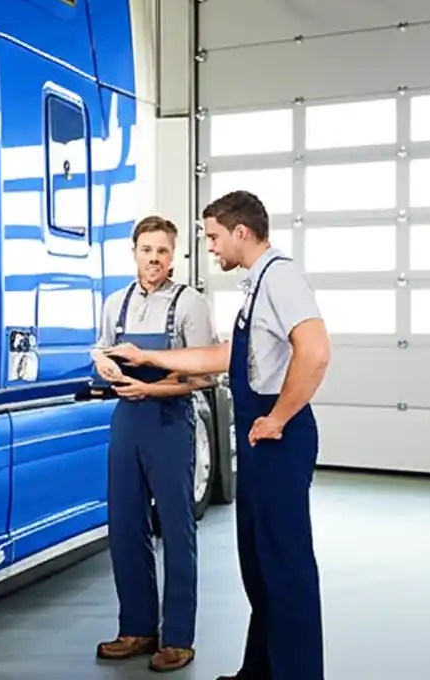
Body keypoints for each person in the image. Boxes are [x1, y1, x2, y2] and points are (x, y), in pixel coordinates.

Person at [106, 191, 331, 680]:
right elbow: (224, 356)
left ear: (240, 233)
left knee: (285, 566)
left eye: (212, 237)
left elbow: (314, 352)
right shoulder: (257, 283)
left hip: (278, 438)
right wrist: (150, 359)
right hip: (260, 439)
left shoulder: (283, 278)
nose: (209, 247)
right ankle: (261, 670)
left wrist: (279, 417)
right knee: (259, 563)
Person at [91, 215, 217, 673]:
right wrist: (102, 363)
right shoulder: (115, 303)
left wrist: (152, 389)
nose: (155, 260)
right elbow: (101, 347)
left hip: (168, 419)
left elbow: (203, 374)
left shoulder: (189, 304)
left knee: (177, 527)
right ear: (135, 252)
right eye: (147, 250)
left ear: (174, 255)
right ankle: (137, 628)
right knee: (125, 524)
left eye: (163, 251)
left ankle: (178, 637)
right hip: (126, 418)